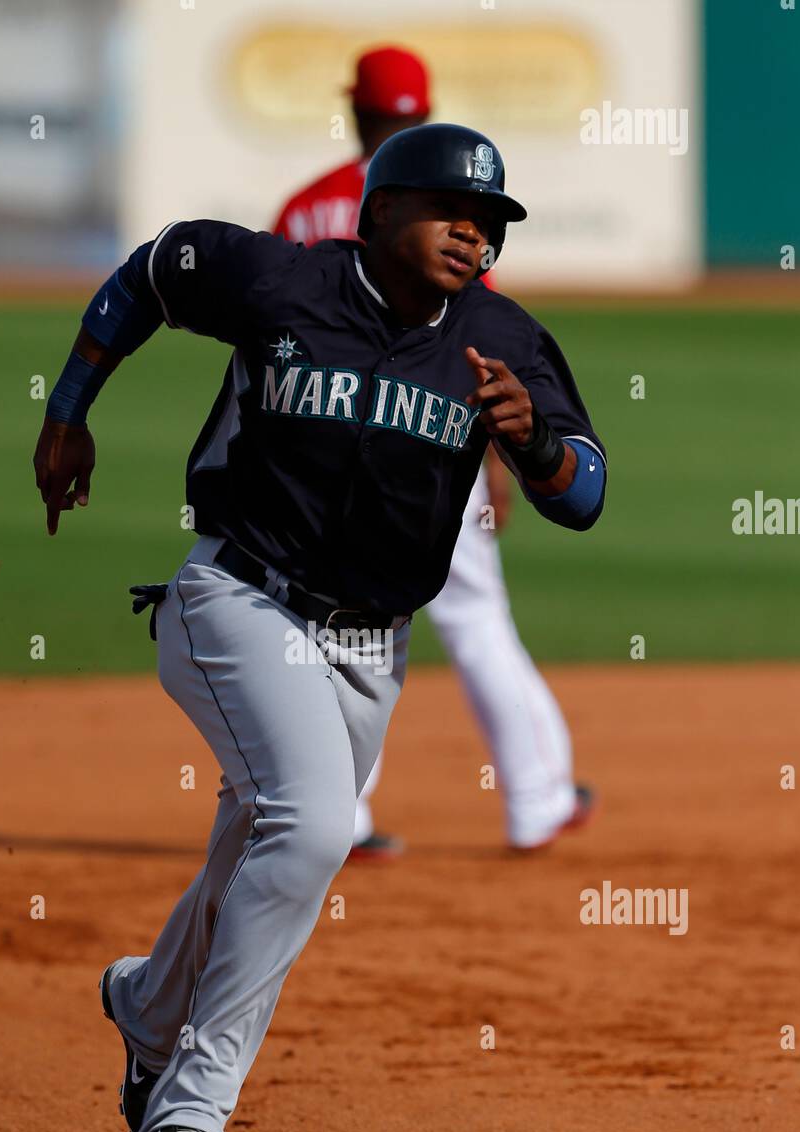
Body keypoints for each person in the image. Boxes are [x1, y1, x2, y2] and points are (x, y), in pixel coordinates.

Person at [32, 122, 607, 1132]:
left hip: (369, 646)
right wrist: (68, 412)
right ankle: (191, 1104)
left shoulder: (503, 339)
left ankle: (146, 1002)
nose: (473, 234)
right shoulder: (279, 279)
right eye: (451, 210)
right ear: (382, 209)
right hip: (234, 598)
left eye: (489, 222)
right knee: (310, 822)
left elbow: (583, 493)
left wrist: (531, 444)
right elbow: (150, 274)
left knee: (260, 831)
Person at [274, 48, 593, 856]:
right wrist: (497, 455)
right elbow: (472, 343)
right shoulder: (453, 212)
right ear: (424, 110)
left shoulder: (308, 207)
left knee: (326, 628)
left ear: (354, 109)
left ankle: (338, 816)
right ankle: (536, 800)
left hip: (314, 462)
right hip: (426, 445)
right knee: (476, 618)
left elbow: (268, 337)